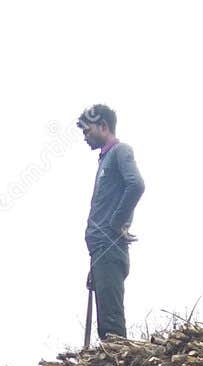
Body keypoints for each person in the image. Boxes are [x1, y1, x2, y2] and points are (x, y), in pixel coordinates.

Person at [78, 103, 146, 342]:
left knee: (111, 325)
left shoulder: (120, 151)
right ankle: (110, 365)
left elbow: (136, 185)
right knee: (105, 321)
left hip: (109, 246)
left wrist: (117, 224)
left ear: (103, 126)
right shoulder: (105, 160)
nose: (84, 137)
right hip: (101, 252)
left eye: (87, 131)